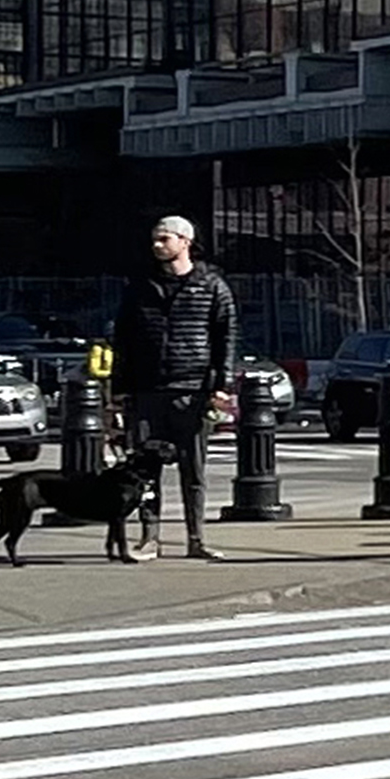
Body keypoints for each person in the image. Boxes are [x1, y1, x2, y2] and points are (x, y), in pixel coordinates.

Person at [125, 212, 244, 557]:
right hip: (149, 389)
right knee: (146, 470)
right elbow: (125, 338)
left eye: (165, 238)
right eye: (155, 239)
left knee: (194, 471)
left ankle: (197, 539)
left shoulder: (211, 286)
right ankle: (150, 538)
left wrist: (220, 385)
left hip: (192, 390)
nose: (157, 245)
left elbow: (226, 336)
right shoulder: (141, 287)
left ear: (185, 242)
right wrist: (120, 388)